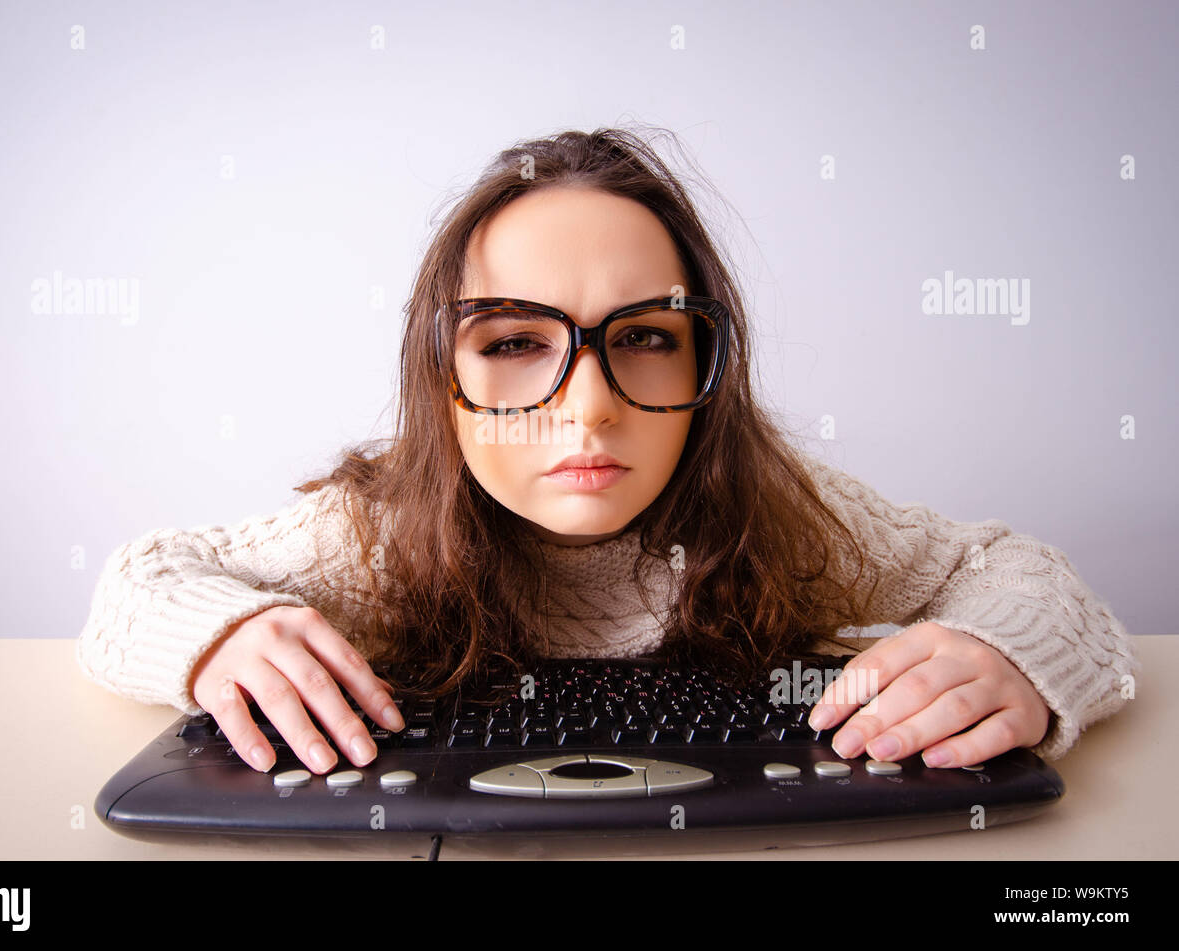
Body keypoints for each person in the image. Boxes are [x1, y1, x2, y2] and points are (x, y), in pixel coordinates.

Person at [78, 126, 1138, 779]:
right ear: (437, 377)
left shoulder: (785, 517)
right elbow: (145, 578)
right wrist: (221, 636)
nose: (585, 410)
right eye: (511, 343)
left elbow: (1013, 567)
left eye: (641, 339)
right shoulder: (370, 532)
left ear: (707, 366)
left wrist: (1012, 657)